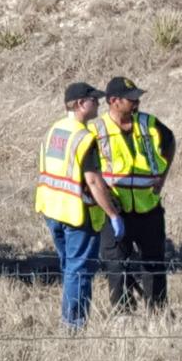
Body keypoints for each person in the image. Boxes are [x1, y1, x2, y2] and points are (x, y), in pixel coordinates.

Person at [36, 82, 124, 329]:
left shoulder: (55, 129)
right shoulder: (84, 137)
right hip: (76, 213)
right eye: (93, 100)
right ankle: (74, 325)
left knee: (69, 269)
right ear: (78, 104)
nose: (98, 103)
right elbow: (94, 181)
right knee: (80, 271)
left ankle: (69, 320)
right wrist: (113, 214)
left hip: (51, 208)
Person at [88, 77, 176, 311]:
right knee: (116, 266)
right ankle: (122, 314)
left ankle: (157, 312)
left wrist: (162, 178)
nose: (136, 102)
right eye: (131, 99)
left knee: (154, 264)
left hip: (149, 208)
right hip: (115, 210)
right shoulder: (96, 130)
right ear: (114, 101)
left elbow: (170, 142)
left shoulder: (149, 123)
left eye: (137, 98)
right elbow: (88, 170)